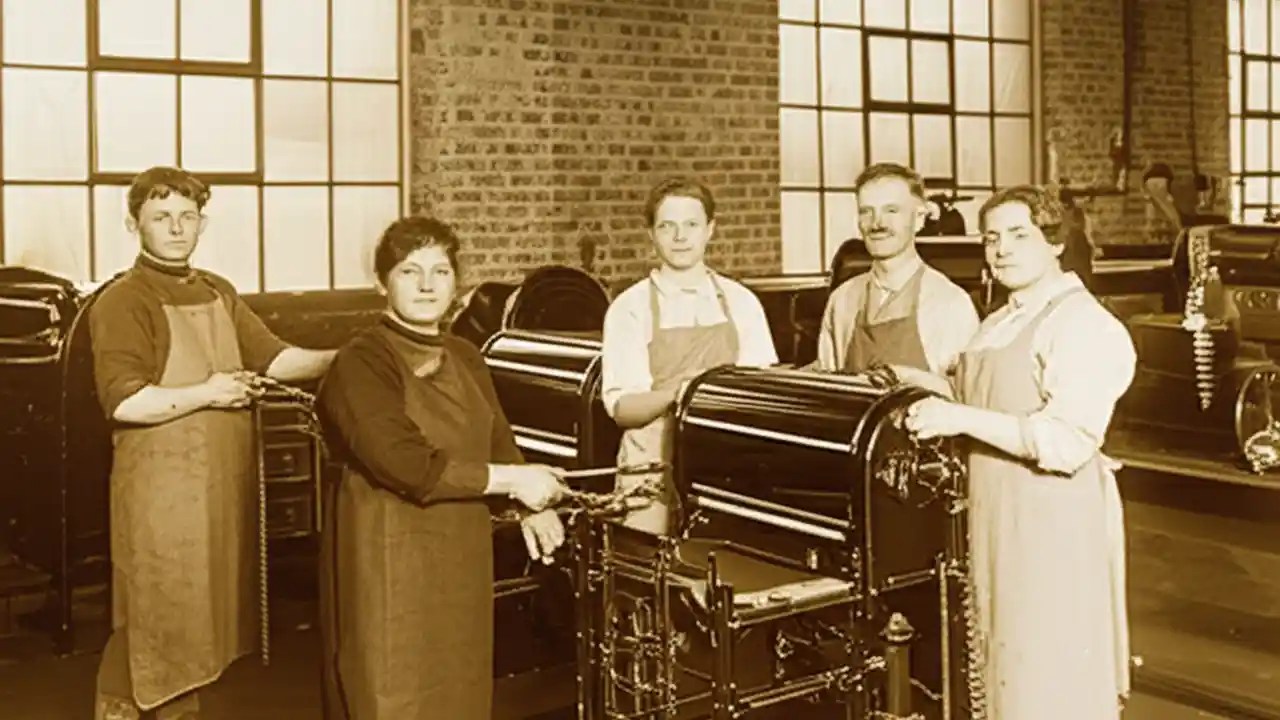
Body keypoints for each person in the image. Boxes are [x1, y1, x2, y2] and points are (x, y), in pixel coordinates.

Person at [91, 166, 338, 720]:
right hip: (161, 490)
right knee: (155, 610)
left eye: (188, 216)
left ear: (202, 222)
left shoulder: (218, 291)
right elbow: (125, 402)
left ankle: (178, 708)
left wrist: (347, 358)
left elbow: (274, 359)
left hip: (219, 486)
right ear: (134, 225)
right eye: (161, 217)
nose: (177, 228)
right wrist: (209, 392)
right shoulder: (122, 301)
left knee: (205, 617)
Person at [314, 216, 567, 720]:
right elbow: (403, 462)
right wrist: (514, 480)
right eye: (410, 272)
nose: (427, 285)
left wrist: (531, 506)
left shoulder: (465, 355)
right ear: (382, 282)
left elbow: (497, 438)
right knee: (390, 687)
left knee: (458, 684)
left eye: (441, 272)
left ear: (457, 284)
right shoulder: (361, 361)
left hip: (460, 552)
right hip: (388, 554)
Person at [903, 185, 1133, 719]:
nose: (1001, 249)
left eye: (1018, 235)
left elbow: (1067, 442)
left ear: (1055, 242)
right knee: (999, 665)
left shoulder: (1082, 324)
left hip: (1050, 521)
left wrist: (958, 418)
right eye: (991, 238)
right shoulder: (1000, 320)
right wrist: (917, 382)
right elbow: (984, 402)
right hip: (995, 514)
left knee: (1045, 671)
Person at [601, 178, 778, 535]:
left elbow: (762, 393)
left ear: (710, 229)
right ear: (651, 234)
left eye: (691, 224)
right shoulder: (630, 307)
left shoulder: (741, 301)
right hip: (650, 470)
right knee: (647, 560)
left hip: (724, 469)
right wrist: (682, 391)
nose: (680, 237)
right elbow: (622, 409)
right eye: (667, 226)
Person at [815, 163, 979, 391]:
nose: (877, 224)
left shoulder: (950, 304)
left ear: (919, 218)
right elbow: (827, 388)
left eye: (891, 211)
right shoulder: (842, 300)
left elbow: (966, 397)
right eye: (866, 211)